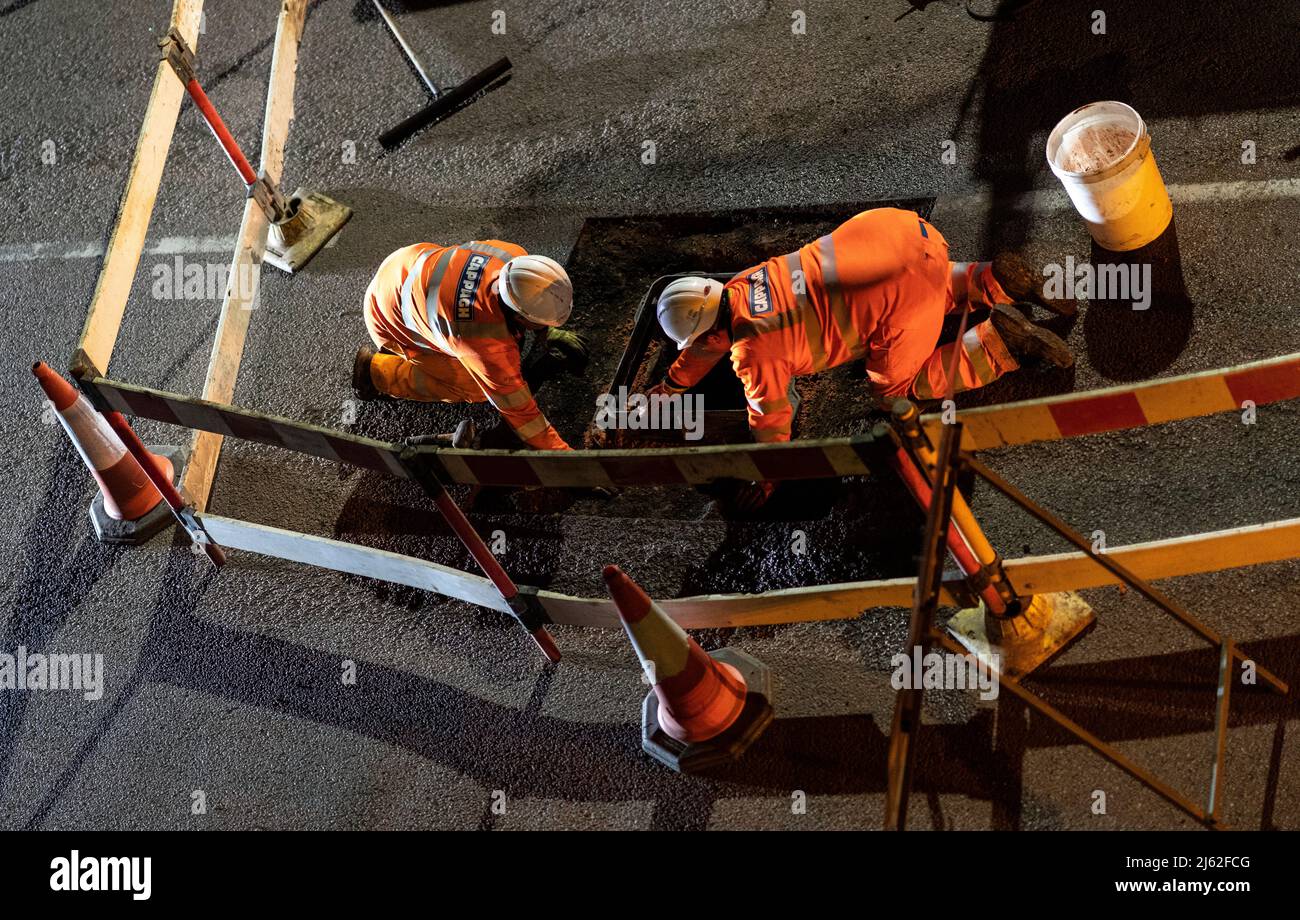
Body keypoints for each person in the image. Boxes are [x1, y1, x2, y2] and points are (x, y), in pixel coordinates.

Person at [648, 207, 1074, 507]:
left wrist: (768, 470)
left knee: (896, 391)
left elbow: (770, 415)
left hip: (898, 291)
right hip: (903, 233)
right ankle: (996, 280)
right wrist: (672, 385)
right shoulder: (743, 283)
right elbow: (707, 345)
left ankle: (999, 343)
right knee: (929, 283)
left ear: (709, 329)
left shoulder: (754, 353)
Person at [353, 240, 588, 450]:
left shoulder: (513, 257)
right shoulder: (482, 340)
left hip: (401, 265)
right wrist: (568, 462)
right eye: (539, 322)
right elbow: (521, 414)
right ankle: (376, 373)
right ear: (520, 316)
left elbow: (527, 300)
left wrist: (546, 331)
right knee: (475, 387)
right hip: (387, 318)